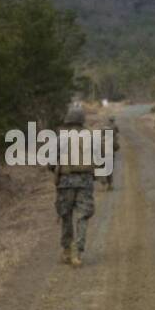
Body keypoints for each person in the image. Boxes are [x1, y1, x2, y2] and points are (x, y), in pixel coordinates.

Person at [52, 105, 96, 266]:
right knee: (82, 217)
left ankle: (66, 251)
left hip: (65, 183)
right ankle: (78, 252)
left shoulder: (60, 138)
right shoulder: (91, 136)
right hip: (85, 183)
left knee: (66, 217)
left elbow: (51, 161)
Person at [100, 115, 120, 190]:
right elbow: (117, 147)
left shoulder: (100, 139)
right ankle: (110, 185)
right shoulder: (111, 138)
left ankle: (103, 184)